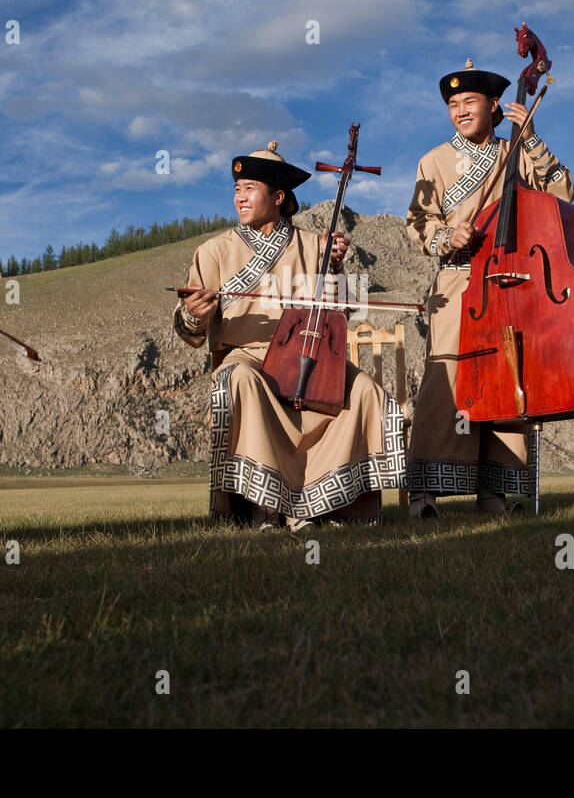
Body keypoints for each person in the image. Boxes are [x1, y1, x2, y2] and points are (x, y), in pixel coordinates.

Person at [173, 141, 406, 531]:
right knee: (239, 380)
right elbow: (187, 329)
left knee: (366, 390)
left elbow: (345, 310)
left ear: (278, 197)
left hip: (311, 351)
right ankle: (264, 508)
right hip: (246, 355)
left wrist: (336, 270)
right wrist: (196, 315)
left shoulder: (317, 245)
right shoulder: (213, 252)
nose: (240, 197)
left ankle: (334, 505)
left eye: (249, 188)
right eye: (236, 189)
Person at [404, 60, 574, 518]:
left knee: (508, 376)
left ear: (494, 105)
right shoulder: (434, 160)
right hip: (461, 278)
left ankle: (496, 491)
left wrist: (533, 138)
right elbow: (419, 220)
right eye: (453, 104)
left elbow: (563, 196)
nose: (460, 110)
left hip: (511, 280)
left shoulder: (517, 150)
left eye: (469, 102)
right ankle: (426, 491)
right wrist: (446, 236)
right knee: (449, 379)